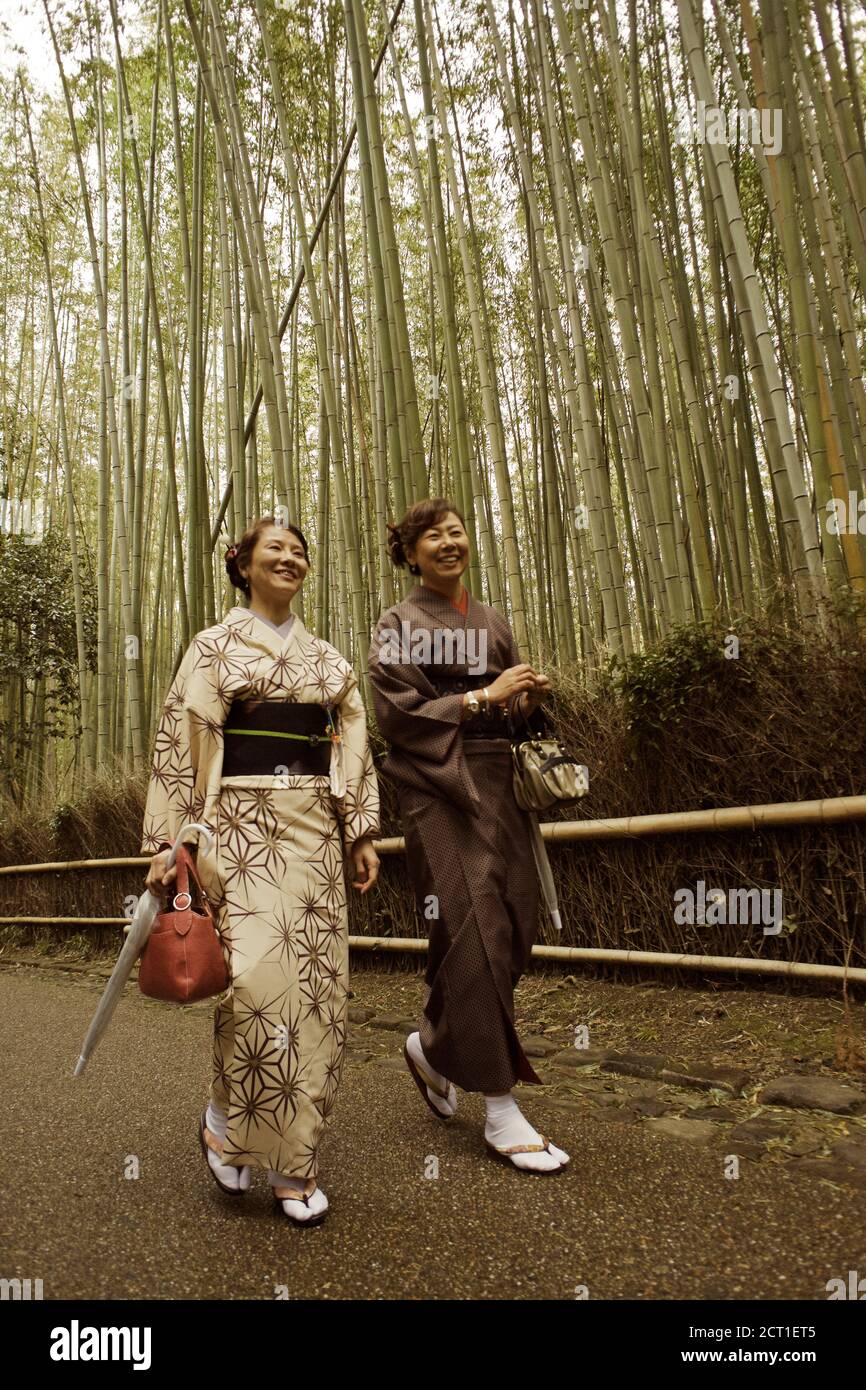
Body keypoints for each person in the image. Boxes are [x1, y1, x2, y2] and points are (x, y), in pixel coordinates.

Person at [141, 516, 380, 1225]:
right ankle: (226, 1120)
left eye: (300, 550)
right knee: (254, 985)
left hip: (312, 831)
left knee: (319, 995)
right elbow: (184, 738)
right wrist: (171, 837)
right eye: (274, 548)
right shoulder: (213, 648)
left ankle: (294, 1163)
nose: (290, 557)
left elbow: (353, 737)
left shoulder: (329, 660)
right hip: (239, 832)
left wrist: (361, 826)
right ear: (241, 564)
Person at [367, 498, 569, 1174]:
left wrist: (525, 701)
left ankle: (432, 1046)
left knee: (509, 926)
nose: (449, 543)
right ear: (410, 552)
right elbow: (397, 714)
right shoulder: (396, 623)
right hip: (436, 788)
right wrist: (481, 699)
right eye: (433, 536)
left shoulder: (492, 619)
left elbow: (512, 718)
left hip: (499, 785)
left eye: (456, 531)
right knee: (476, 921)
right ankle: (501, 1108)